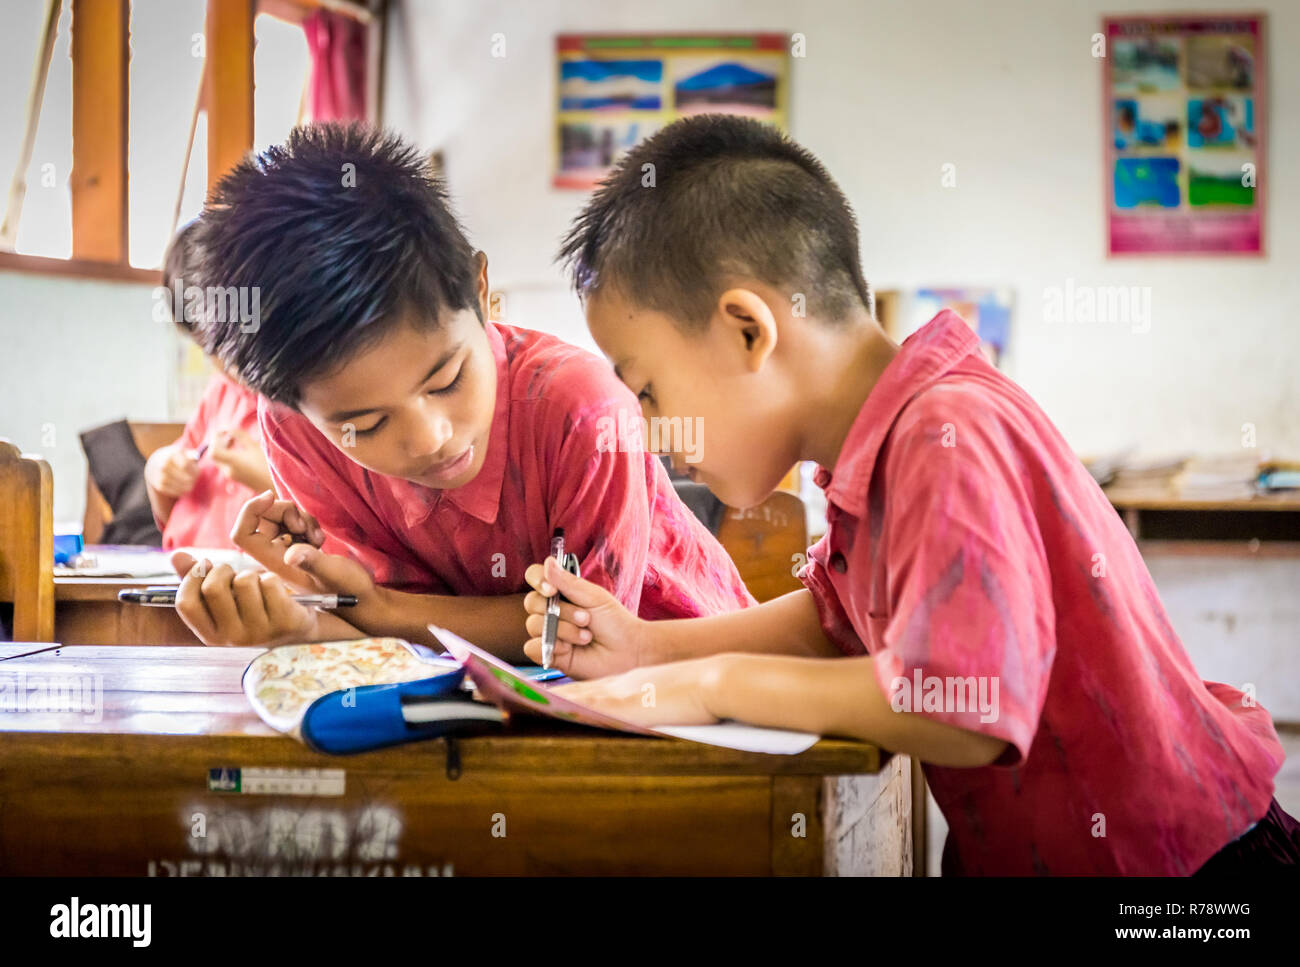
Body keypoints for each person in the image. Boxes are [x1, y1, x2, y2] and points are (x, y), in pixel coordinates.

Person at [521, 114, 1293, 875]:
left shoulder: (941, 432)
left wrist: (711, 683)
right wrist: (649, 646)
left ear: (748, 331)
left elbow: (965, 702)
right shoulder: (884, 446)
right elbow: (838, 622)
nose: (654, 431)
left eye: (649, 391)